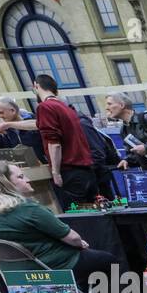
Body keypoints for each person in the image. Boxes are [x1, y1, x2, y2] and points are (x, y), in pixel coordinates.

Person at [0, 160, 117, 282]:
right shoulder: (27, 209)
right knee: (107, 260)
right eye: (21, 177)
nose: (28, 179)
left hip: (16, 276)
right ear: (6, 183)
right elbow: (73, 238)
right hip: (51, 269)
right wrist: (79, 243)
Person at [25, 74, 96, 209]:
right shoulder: (64, 107)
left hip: (70, 173)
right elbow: (39, 124)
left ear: (36, 86)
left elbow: (54, 143)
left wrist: (55, 172)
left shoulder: (44, 107)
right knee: (93, 214)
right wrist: (9, 124)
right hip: (85, 172)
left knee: (78, 217)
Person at [0, 97, 46, 162]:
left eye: (1, 112)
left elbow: (38, 125)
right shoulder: (6, 130)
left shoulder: (33, 120)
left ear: (13, 111)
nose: (0, 116)